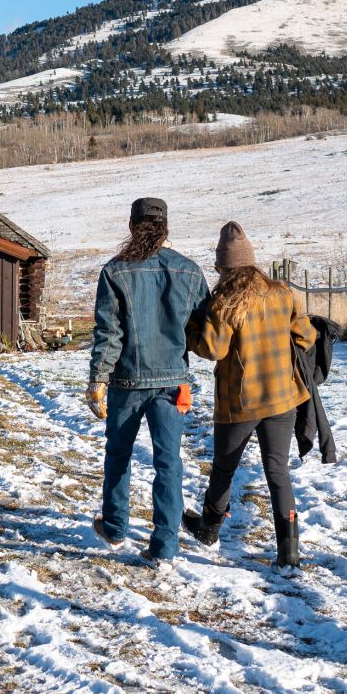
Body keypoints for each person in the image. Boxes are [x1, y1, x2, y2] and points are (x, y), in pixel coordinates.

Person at [182, 222, 316, 570]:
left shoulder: (224, 301)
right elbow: (305, 337)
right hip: (282, 398)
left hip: (239, 402)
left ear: (223, 267)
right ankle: (289, 552)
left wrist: (191, 327)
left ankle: (209, 529)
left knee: (224, 469)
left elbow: (212, 348)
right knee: (277, 472)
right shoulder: (282, 293)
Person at [87, 197, 207, 564]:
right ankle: (165, 546)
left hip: (126, 381)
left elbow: (109, 333)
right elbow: (204, 331)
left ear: (131, 226)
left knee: (118, 455)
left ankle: (114, 527)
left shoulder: (115, 271)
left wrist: (97, 381)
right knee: (169, 463)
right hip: (173, 382)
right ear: (166, 227)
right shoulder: (190, 272)